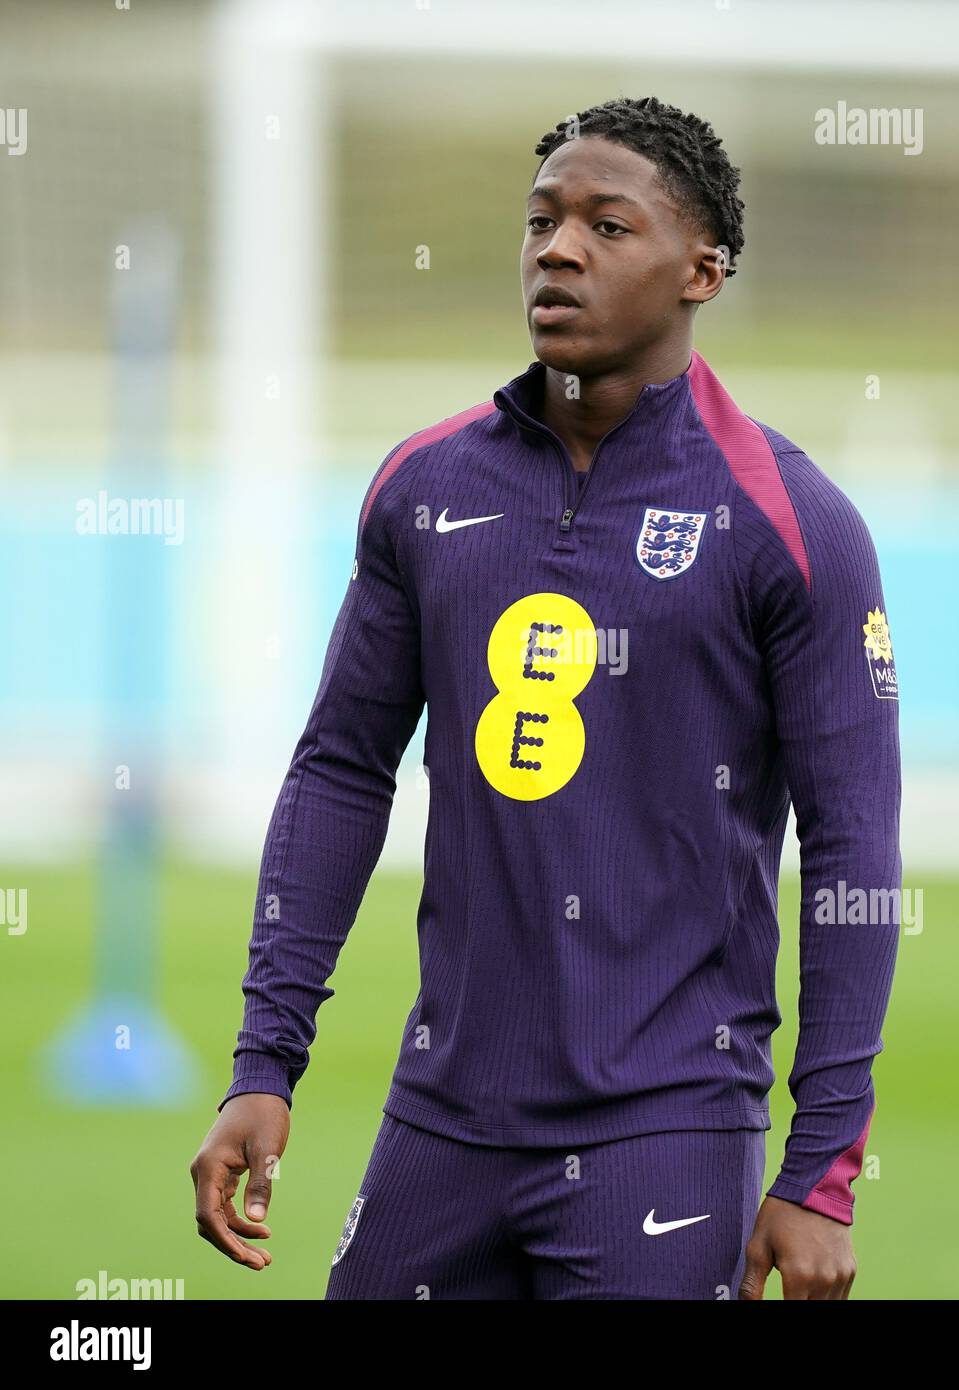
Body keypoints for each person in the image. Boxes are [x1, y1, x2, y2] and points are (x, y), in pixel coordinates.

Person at [190, 95, 902, 1301]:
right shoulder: (426, 488)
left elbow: (854, 848)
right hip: (442, 1118)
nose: (557, 249)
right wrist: (266, 1057)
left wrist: (820, 1168)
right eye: (542, 221)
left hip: (666, 1125)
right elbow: (342, 770)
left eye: (607, 226)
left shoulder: (790, 520)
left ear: (702, 271)